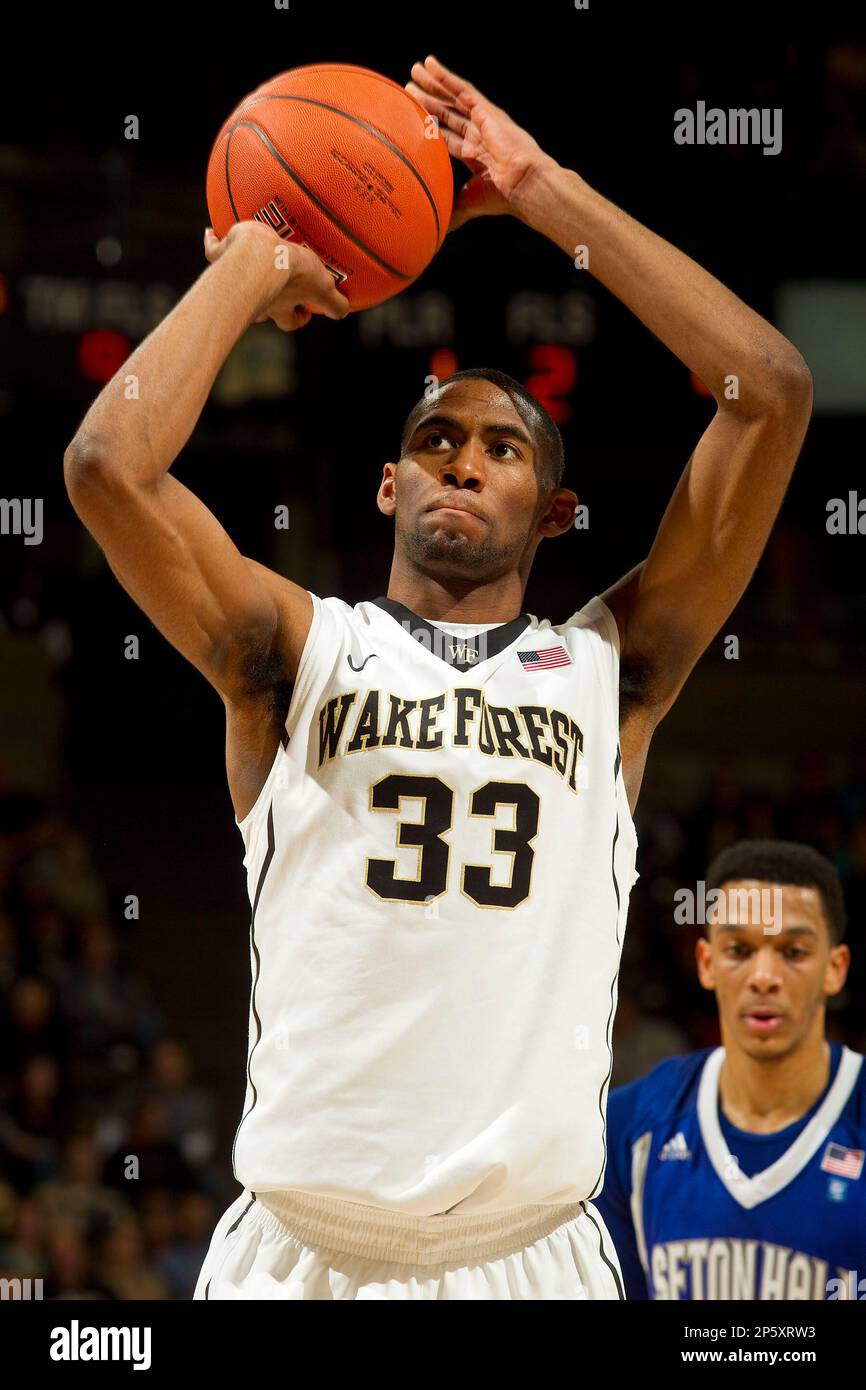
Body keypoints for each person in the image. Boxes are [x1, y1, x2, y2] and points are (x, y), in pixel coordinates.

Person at [63, 54, 813, 1299]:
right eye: (433, 440)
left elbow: (767, 392)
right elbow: (106, 467)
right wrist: (256, 261)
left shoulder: (609, 669)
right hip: (297, 1253)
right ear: (386, 486)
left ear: (554, 508)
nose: (462, 461)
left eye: (500, 446)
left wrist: (542, 192)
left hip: (528, 1257)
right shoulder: (293, 652)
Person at [596, 839, 865, 1300]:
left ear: (835, 968)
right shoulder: (628, 1129)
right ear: (706, 962)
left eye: (793, 952)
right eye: (739, 949)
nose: (763, 976)